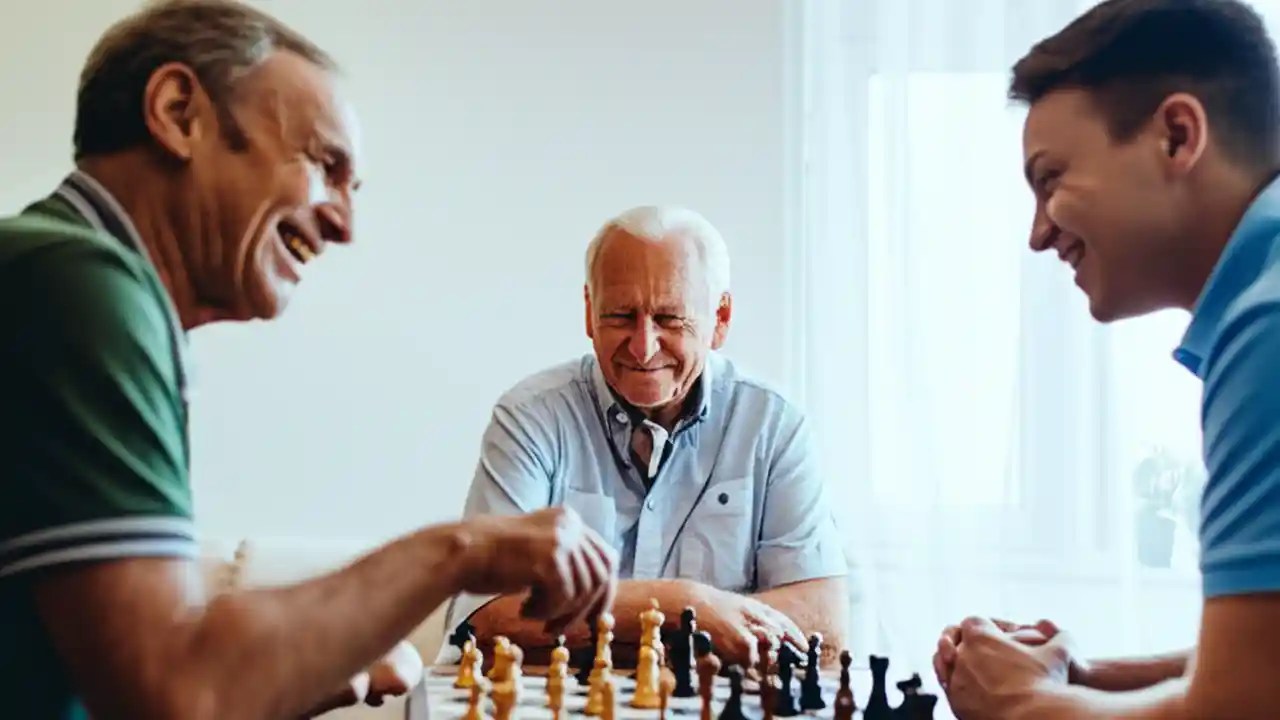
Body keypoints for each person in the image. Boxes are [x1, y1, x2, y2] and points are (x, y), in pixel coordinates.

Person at [0, 2, 617, 718]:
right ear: (178, 113)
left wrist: (287, 674)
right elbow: (172, 691)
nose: (344, 225)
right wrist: (465, 549)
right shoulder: (83, 285)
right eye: (325, 165)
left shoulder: (50, 272)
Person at [930, 0, 1280, 717]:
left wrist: (1023, 703)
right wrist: (1082, 675)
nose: (1037, 234)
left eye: (1051, 179)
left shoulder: (1267, 325)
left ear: (1177, 137)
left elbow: (1238, 707)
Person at [440, 205, 849, 668]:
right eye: (620, 315)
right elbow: (486, 618)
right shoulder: (531, 418)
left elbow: (823, 624)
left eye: (670, 318)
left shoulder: (773, 424)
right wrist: (685, 607)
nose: (643, 346)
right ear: (590, 313)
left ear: (720, 318)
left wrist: (604, 625)